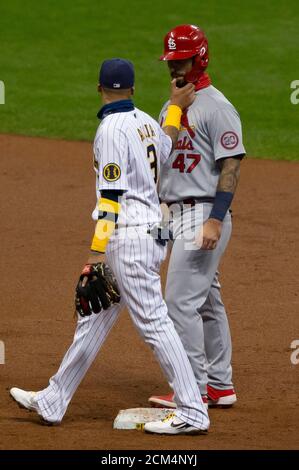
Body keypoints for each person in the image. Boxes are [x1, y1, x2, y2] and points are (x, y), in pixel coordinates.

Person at [10, 58, 209, 435]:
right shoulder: (148, 121)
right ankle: (54, 399)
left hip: (129, 239)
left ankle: (194, 410)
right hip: (151, 233)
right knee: (94, 320)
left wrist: (94, 255)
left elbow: (111, 198)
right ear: (132, 89)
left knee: (155, 323)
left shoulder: (109, 129)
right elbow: (167, 147)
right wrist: (177, 110)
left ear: (99, 88)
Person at [149, 25, 246, 409]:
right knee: (206, 302)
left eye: (182, 61)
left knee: (177, 303)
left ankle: (194, 390)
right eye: (171, 62)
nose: (175, 69)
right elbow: (163, 166)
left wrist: (216, 220)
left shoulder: (217, 106)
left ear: (199, 58)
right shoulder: (169, 107)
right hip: (173, 213)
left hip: (204, 212)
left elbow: (231, 166)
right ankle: (220, 385)